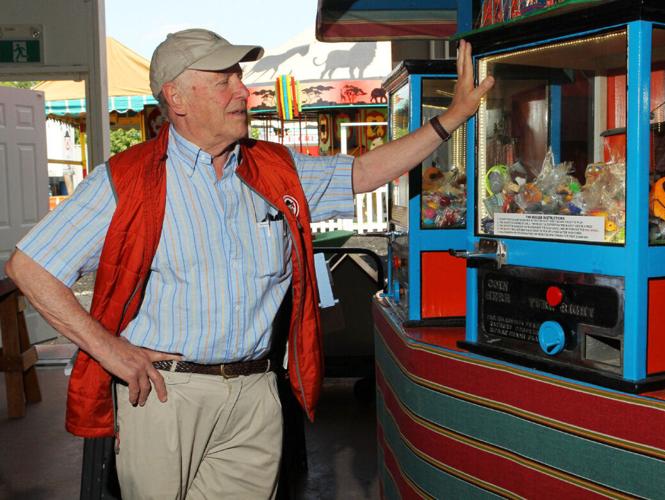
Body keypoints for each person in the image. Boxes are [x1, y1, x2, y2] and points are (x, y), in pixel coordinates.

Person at [5, 28, 494, 499]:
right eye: (224, 81)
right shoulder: (126, 181)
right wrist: (110, 351)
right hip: (165, 395)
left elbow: (363, 171)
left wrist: (452, 117)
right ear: (177, 99)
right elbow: (30, 267)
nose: (244, 90)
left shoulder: (274, 168)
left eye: (240, 77)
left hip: (257, 392)